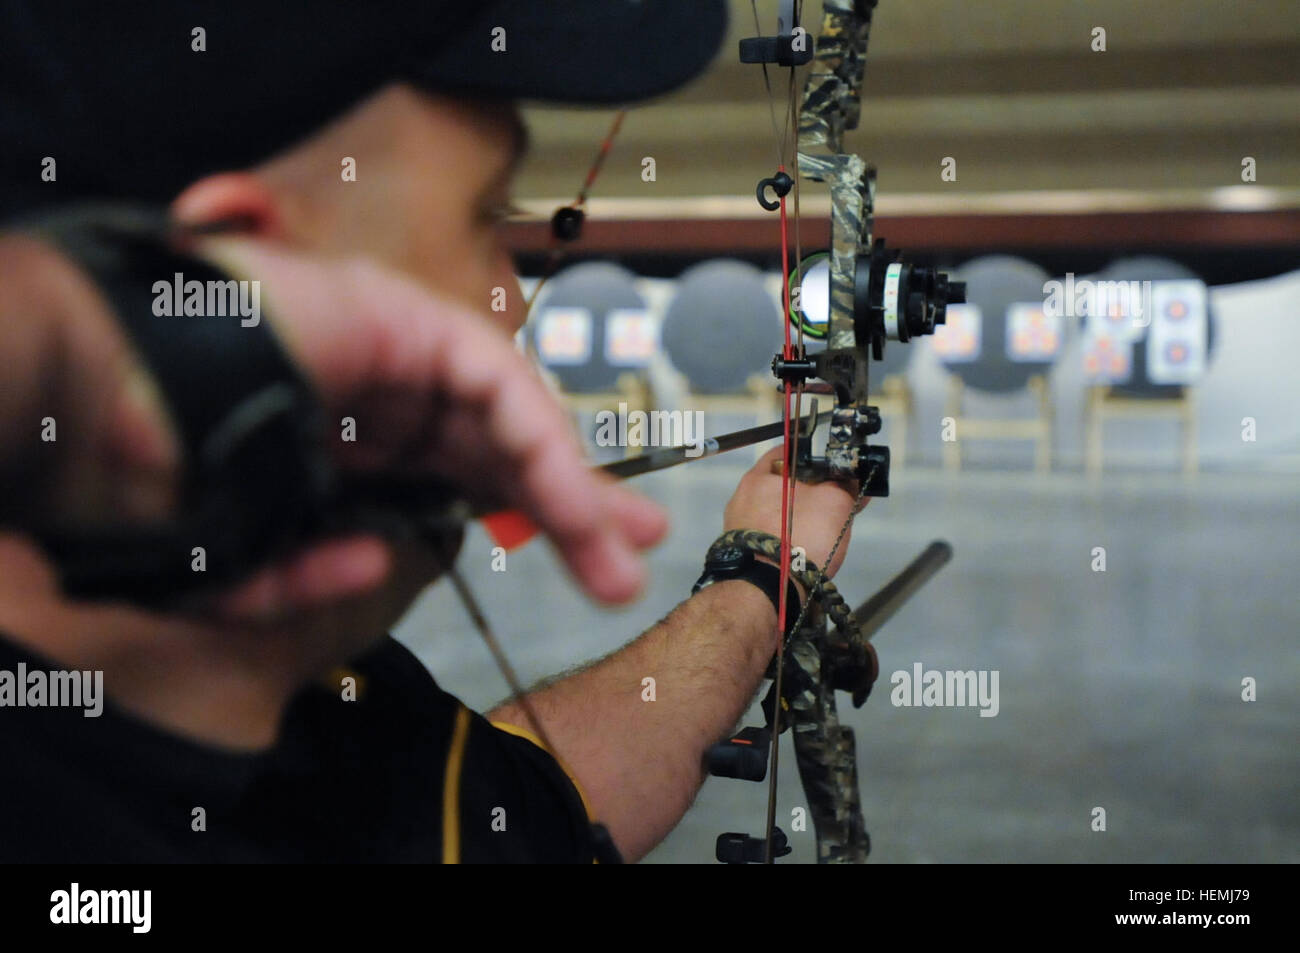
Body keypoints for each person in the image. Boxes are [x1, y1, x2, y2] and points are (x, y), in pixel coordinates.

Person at [0, 1, 860, 862]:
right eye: (485, 216)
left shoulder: (339, 708)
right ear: (244, 284)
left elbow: (533, 809)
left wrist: (760, 568)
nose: (515, 300)